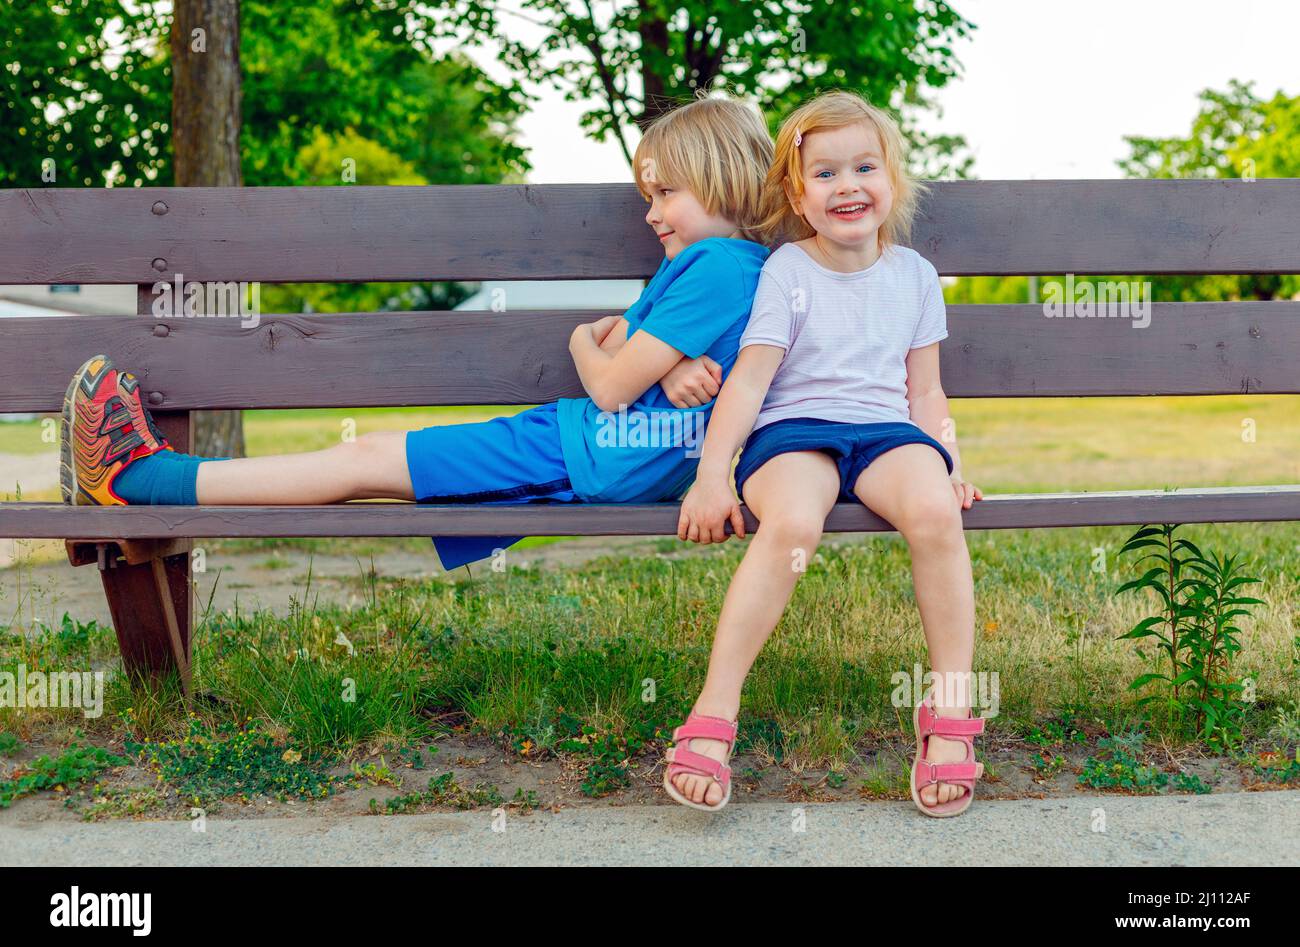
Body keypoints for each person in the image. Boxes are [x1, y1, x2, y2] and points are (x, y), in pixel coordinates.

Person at [61, 94, 785, 574]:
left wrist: (580, 346)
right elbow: (647, 346)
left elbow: (611, 377)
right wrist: (659, 367)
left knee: (366, 461)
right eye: (647, 196)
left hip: (592, 455)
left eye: (666, 194)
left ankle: (137, 480)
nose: (653, 213)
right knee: (368, 463)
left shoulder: (713, 266)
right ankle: (146, 481)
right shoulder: (740, 268)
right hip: (592, 451)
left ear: (723, 179)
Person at [666, 90, 987, 816]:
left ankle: (950, 714)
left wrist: (948, 461)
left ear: (892, 180)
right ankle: (715, 715)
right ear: (797, 193)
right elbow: (748, 385)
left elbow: (925, 393)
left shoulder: (913, 276)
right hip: (793, 432)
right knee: (792, 526)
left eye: (864, 167)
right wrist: (713, 476)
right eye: (827, 174)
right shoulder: (788, 270)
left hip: (885, 434)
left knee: (936, 512)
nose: (848, 186)